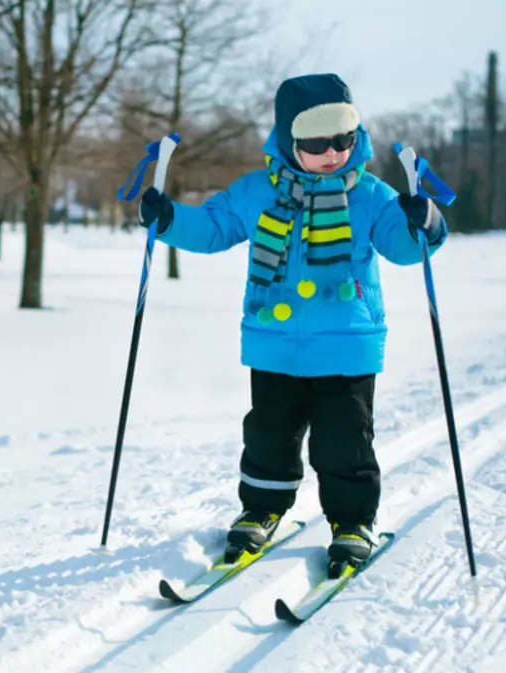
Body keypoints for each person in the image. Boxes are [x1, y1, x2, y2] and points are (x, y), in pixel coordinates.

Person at [137, 73, 446, 571]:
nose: (333, 153)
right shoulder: (258, 191)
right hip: (274, 343)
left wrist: (423, 221)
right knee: (268, 436)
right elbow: (215, 228)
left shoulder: (369, 195)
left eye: (344, 140)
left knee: (343, 441)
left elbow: (406, 249)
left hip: (346, 346)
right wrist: (169, 218)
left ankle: (352, 521)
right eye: (317, 143)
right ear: (288, 140)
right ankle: (260, 510)